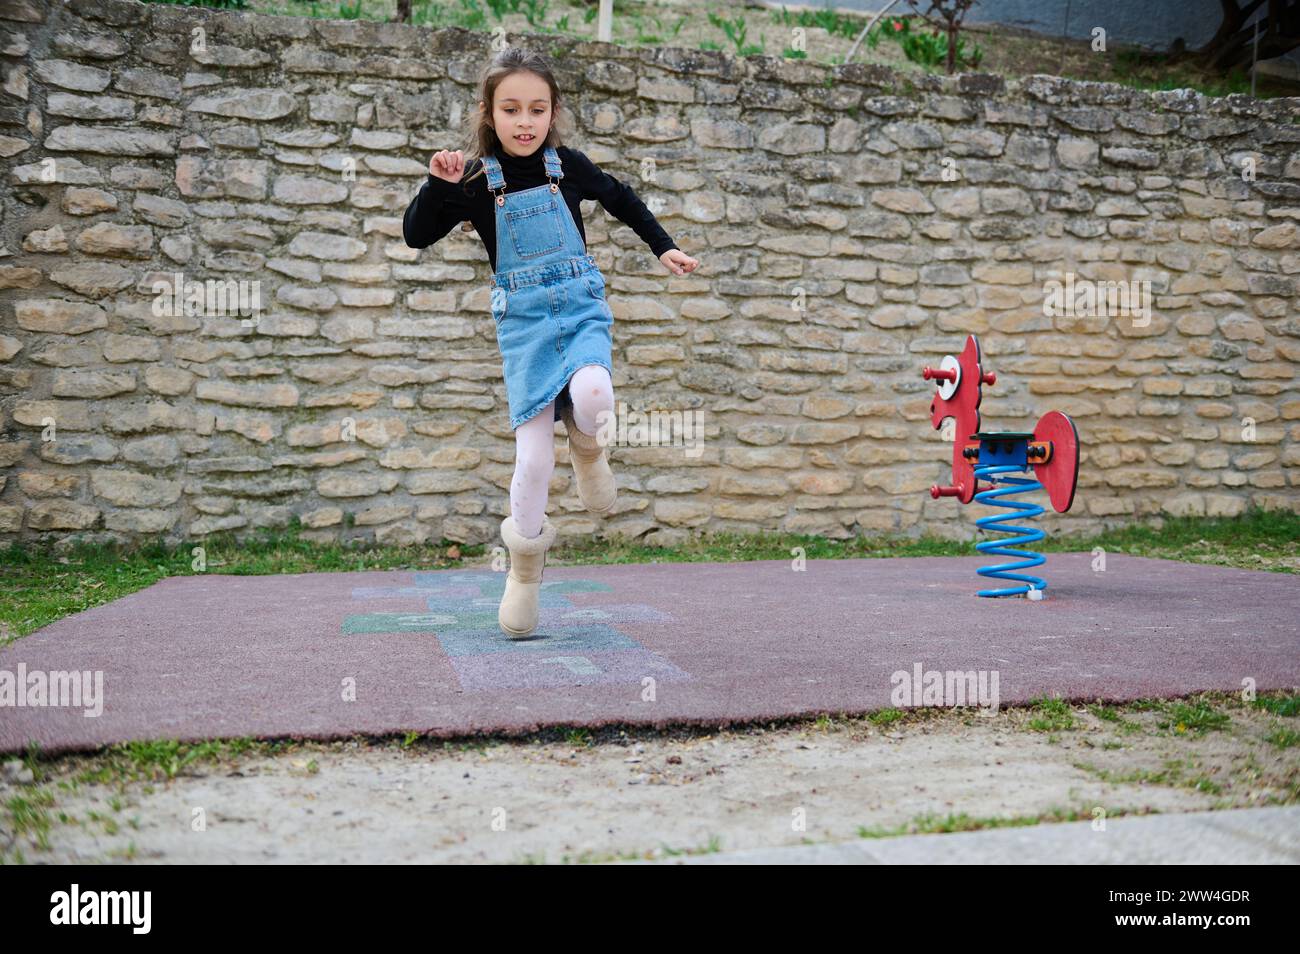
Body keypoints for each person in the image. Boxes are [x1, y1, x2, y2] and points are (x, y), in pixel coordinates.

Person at [403, 46, 700, 638]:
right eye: (511, 109)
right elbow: (416, 236)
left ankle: (589, 451)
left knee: (594, 394)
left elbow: (620, 197)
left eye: (536, 109)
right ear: (490, 114)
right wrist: (436, 187)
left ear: (552, 112)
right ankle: (524, 574)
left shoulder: (568, 165)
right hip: (525, 323)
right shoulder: (474, 180)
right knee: (534, 459)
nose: (525, 121)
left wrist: (661, 245)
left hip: (579, 303)